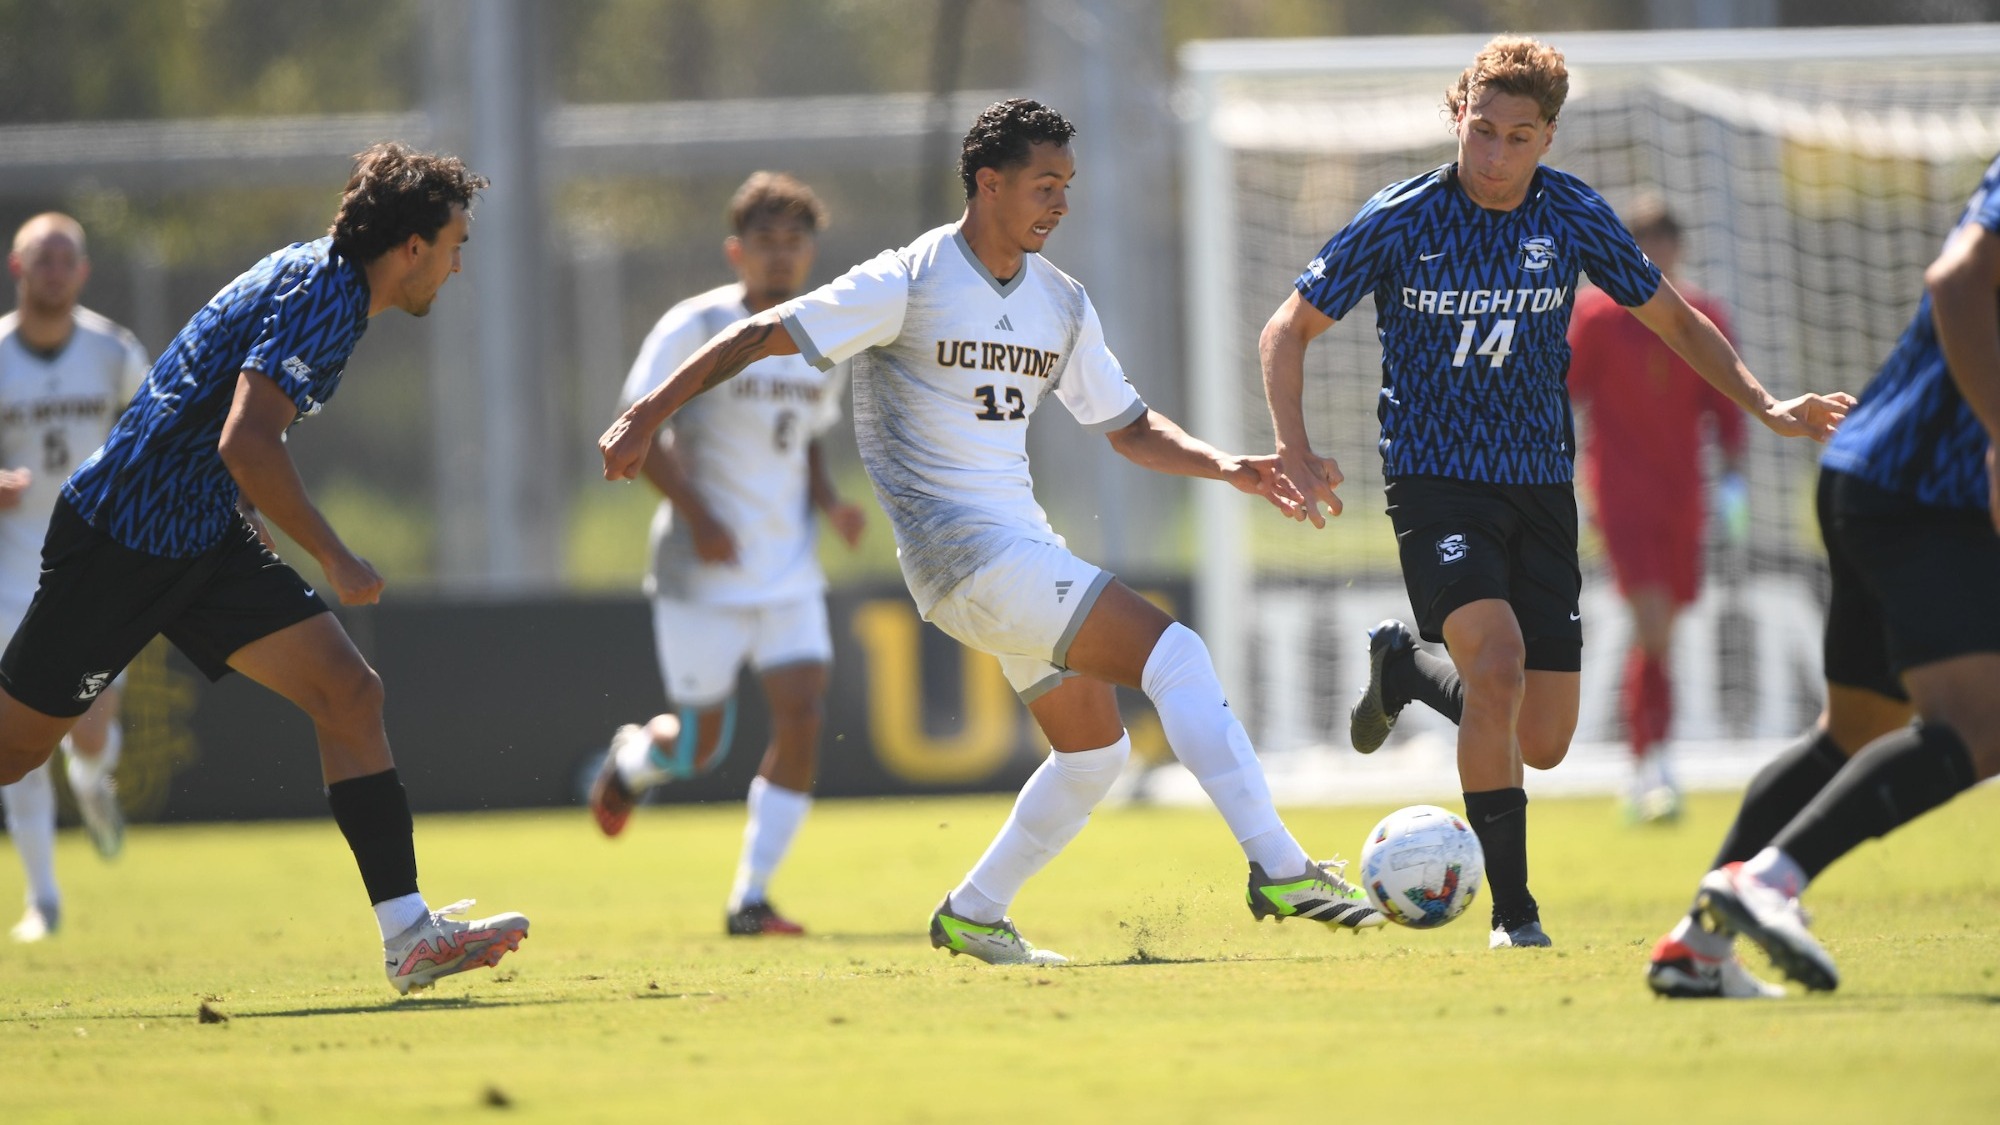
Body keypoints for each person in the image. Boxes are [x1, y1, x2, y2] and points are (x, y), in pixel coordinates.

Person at [601, 98, 1385, 966]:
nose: (1061, 203)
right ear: (989, 183)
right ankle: (1279, 866)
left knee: (1094, 754)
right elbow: (759, 333)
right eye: (1044, 184)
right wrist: (644, 415)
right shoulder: (908, 279)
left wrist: (1229, 465)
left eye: (1068, 185)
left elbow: (1128, 428)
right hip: (962, 554)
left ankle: (975, 911)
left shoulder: (1062, 301)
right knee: (1178, 655)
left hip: (1019, 551)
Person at [1257, 36, 1852, 950]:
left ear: (1548, 138)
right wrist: (1292, 447)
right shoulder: (1402, 216)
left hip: (1540, 487)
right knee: (1496, 665)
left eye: (1518, 138)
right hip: (1436, 482)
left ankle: (1405, 671)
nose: (1494, 156)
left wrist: (1766, 406)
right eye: (1481, 130)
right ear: (1458, 116)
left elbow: (1674, 320)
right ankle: (1515, 915)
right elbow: (1286, 330)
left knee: (1542, 738)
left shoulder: (1571, 214)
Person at [0, 143, 528, 993]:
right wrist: (334, 554)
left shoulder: (324, 278)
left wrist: (248, 515)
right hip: (124, 535)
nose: (458, 265)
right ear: (413, 247)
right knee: (16, 751)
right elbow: (246, 440)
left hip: (200, 530)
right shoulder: (327, 293)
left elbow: (212, 415)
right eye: (456, 245)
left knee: (349, 692)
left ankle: (408, 934)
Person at [1647, 151, 2000, 999]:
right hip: (1923, 486)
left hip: (1875, 475)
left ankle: (1698, 948)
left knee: (1862, 727)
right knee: (1982, 723)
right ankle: (1768, 879)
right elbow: (1956, 283)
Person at [587, 172, 866, 937]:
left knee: (803, 713)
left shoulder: (822, 336)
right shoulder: (696, 323)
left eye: (794, 241)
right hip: (700, 567)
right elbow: (639, 428)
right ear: (736, 251)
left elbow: (805, 437)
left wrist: (829, 500)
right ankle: (633, 761)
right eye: (765, 241)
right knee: (698, 747)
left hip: (787, 567)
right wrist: (701, 518)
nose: (781, 255)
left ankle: (752, 897)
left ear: (811, 252)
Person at [1567, 196, 1748, 822]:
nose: (1655, 251)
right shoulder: (1596, 317)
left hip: (1683, 498)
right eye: (1643, 239)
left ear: (1679, 247)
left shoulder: (1703, 315)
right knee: (1649, 622)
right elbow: (1563, 394)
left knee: (1662, 633)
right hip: (1620, 494)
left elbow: (1728, 404)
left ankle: (1646, 758)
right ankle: (1654, 761)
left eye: (1664, 239)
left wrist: (1734, 485)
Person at [0, 214, 146, 942]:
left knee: (87, 735)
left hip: (93, 568)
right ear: (17, 266)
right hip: (11, 571)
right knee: (16, 743)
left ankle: (93, 784)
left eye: (67, 259)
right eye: (42, 258)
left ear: (83, 272)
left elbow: (159, 435)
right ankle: (43, 899)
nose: (54, 270)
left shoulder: (114, 350)